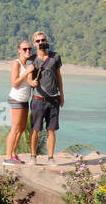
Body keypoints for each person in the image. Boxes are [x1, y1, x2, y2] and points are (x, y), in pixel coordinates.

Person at [26, 30, 65, 164]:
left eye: (43, 40)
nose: (41, 43)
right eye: (38, 41)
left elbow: (59, 77)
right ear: (34, 43)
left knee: (51, 130)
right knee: (35, 129)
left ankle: (50, 157)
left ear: (46, 41)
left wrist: (62, 96)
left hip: (53, 99)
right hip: (38, 100)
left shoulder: (55, 57)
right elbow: (29, 79)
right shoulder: (31, 60)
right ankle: (33, 156)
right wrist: (32, 82)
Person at [4, 41, 33, 164]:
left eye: (29, 49)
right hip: (16, 99)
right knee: (15, 128)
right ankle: (7, 157)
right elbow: (15, 83)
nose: (27, 51)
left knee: (21, 129)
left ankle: (14, 154)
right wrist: (26, 72)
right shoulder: (17, 64)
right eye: (24, 49)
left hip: (24, 100)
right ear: (19, 50)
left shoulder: (28, 64)